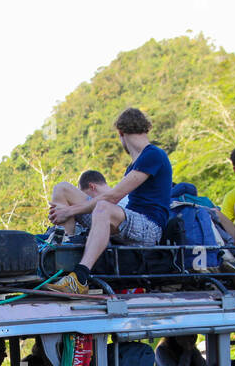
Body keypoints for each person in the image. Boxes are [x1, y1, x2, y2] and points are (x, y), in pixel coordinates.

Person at [48, 107, 172, 290]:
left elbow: (114, 196)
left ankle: (80, 278)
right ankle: (64, 258)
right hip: (128, 224)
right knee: (63, 189)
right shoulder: (133, 166)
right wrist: (66, 212)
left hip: (149, 228)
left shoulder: (153, 154)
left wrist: (70, 211)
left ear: (121, 133)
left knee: (104, 207)